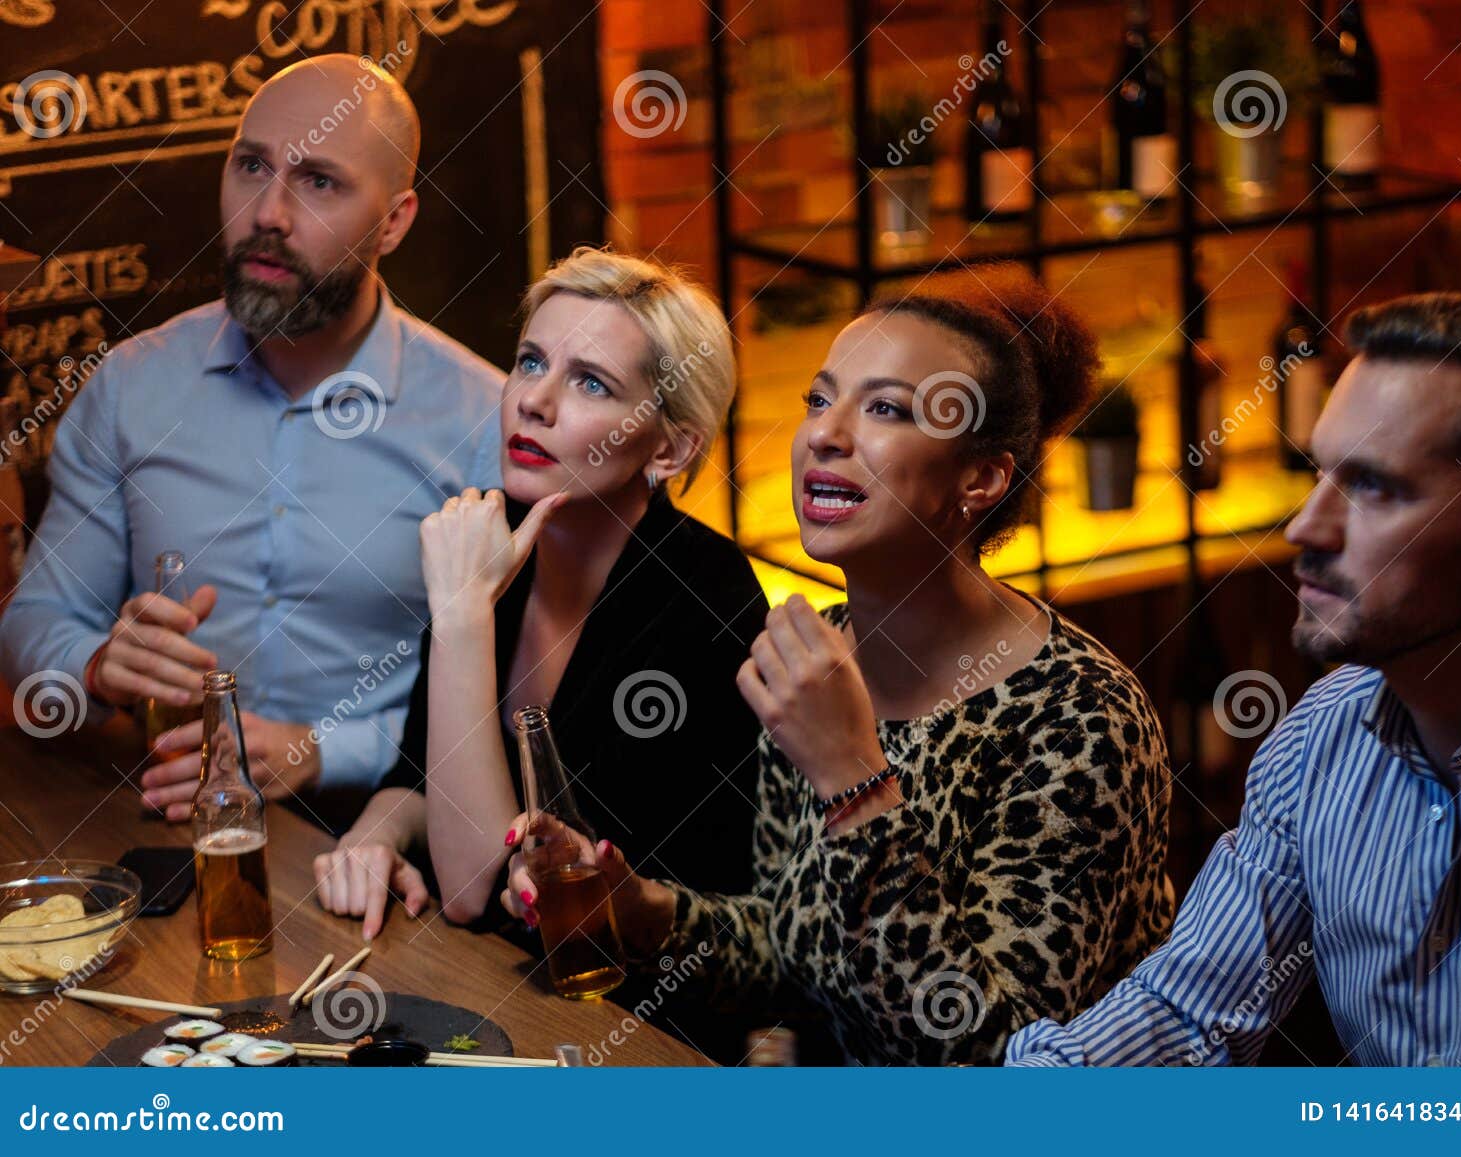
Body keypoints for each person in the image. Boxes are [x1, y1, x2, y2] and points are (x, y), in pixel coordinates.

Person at [501, 273, 1176, 1065]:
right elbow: (792, 960)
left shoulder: (1077, 715)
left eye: (885, 408)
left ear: (982, 478)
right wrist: (641, 909)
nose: (826, 434)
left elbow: (995, 1057)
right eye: (820, 401)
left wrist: (855, 782)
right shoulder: (810, 656)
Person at [1008, 293, 1461, 1067]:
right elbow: (1190, 1013)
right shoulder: (1323, 733)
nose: (1306, 528)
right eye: (1322, 473)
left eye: (1375, 487)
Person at [0, 54, 502, 826]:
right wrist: (98, 665)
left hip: (385, 843)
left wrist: (329, 747)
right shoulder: (132, 388)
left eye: (319, 182)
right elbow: (34, 619)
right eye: (250, 167)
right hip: (160, 816)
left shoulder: (482, 422)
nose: (270, 213)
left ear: (395, 220)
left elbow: (522, 694)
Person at [313, 249, 765, 971]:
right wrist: (377, 828)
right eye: (530, 362)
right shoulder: (497, 537)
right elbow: (425, 771)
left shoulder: (703, 599)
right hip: (481, 979)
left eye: (591, 382)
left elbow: (485, 888)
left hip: (642, 1031)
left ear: (671, 448)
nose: (535, 400)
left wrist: (463, 618)